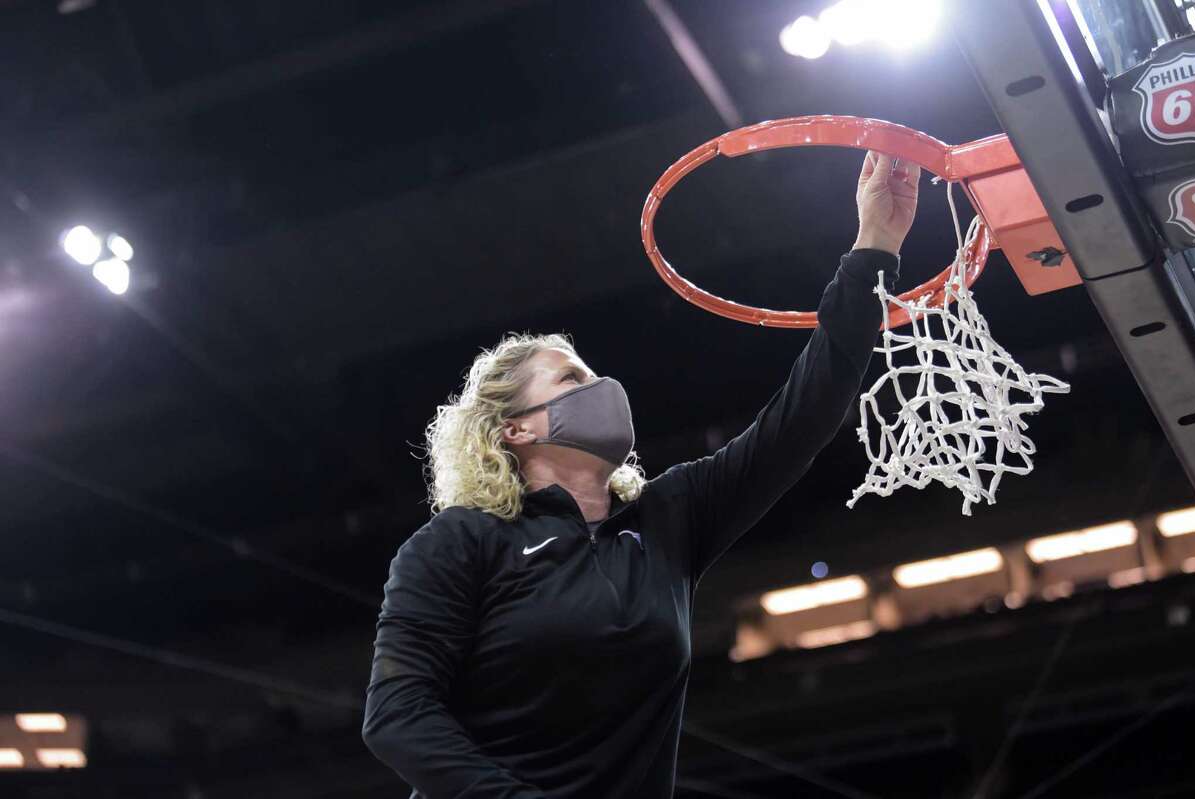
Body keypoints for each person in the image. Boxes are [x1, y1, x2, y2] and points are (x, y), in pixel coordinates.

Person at [361, 151, 919, 798]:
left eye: (593, 373)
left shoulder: (669, 518)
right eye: (571, 378)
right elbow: (396, 715)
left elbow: (801, 419)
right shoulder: (460, 542)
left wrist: (875, 244)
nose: (599, 385)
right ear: (515, 430)